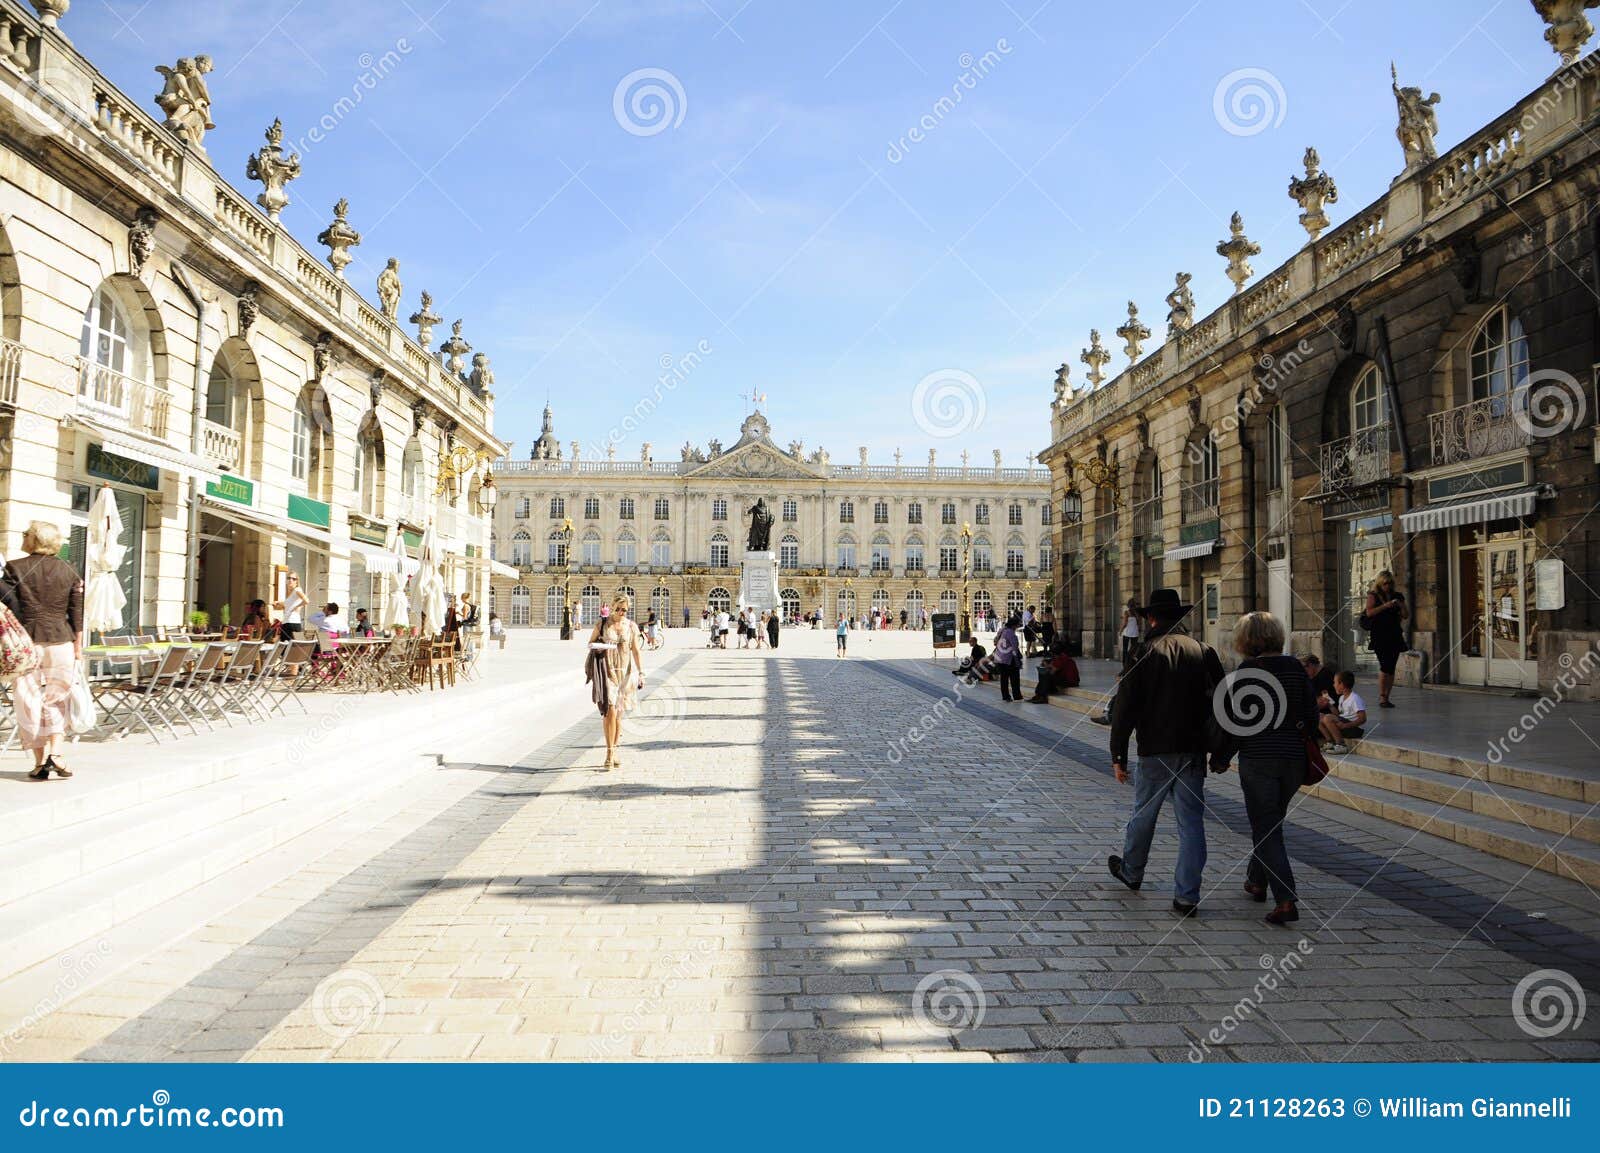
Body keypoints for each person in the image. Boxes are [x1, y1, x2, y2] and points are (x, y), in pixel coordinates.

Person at [1106, 588, 1225, 917]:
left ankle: (1132, 871)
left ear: (1151, 618)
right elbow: (1224, 707)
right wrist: (1221, 752)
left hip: (1154, 750)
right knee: (1191, 824)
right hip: (1192, 751)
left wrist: (1118, 755)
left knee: (1144, 814)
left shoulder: (1142, 653)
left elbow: (1125, 709)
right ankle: (1187, 895)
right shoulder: (1204, 651)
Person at [1218, 612, 1318, 927]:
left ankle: (1286, 898)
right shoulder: (1296, 668)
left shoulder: (1247, 671)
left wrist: (1221, 757)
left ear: (1246, 640)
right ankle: (1256, 881)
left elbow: (1235, 724)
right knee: (1271, 822)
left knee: (1266, 826)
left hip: (1259, 759)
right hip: (1293, 761)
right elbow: (1312, 716)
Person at [0, 522, 85, 781]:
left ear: (34, 539)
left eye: (25, 534)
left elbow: (8, 601)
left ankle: (39, 762)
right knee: (58, 697)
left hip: (27, 642)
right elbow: (77, 610)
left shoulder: (14, 567)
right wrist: (78, 645)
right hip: (62, 641)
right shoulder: (69, 569)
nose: (22, 536)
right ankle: (56, 753)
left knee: (28, 699)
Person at [584, 595, 645, 770]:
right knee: (609, 711)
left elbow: (636, 651)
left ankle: (615, 749)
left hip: (625, 673)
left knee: (618, 714)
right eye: (618, 608)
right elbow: (590, 643)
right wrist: (600, 646)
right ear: (612, 607)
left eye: (624, 609)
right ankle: (609, 752)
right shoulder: (602, 624)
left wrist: (641, 673)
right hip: (607, 671)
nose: (620, 612)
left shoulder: (631, 627)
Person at [1362, 570, 1407, 709]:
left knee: (1391, 667)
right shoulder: (1373, 595)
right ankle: (1382, 696)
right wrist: (1385, 606)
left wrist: (1400, 605)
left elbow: (1406, 615)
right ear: (1380, 583)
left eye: (1390, 583)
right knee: (1385, 665)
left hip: (1394, 634)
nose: (1388, 585)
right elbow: (1369, 612)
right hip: (1380, 635)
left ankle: (1387, 696)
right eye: (1385, 583)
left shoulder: (1397, 596)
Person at [1319, 670, 1367, 754]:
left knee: (1327, 717)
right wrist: (1329, 704)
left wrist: (1346, 725)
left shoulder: (1355, 698)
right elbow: (1337, 715)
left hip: (1354, 729)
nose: (1333, 685)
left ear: (1341, 684)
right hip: (1344, 725)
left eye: (1335, 683)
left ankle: (1341, 745)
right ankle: (1330, 742)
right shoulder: (1341, 698)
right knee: (1318, 716)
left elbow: (1362, 719)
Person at [992, 615, 1023, 702]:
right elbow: (1015, 649)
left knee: (1004, 679)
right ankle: (1017, 696)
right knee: (1014, 678)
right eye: (1017, 625)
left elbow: (995, 642)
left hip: (999, 658)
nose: (1018, 627)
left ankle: (1006, 696)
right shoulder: (1011, 634)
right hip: (1008, 659)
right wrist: (1018, 662)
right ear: (1014, 625)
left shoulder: (1002, 630)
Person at [274, 572, 308, 640]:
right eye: (288, 578)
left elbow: (306, 600)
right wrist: (278, 603)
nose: (290, 580)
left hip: (292, 622)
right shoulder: (291, 593)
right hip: (288, 622)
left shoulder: (296, 590)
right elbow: (288, 605)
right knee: (288, 647)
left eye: (293, 579)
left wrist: (297, 606)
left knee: (288, 647)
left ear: (297, 581)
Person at [1119, 597, 1142, 668]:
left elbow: (1125, 623)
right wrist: (1138, 630)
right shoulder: (1137, 613)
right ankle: (1132, 662)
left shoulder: (1126, 612)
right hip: (1135, 633)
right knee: (1133, 649)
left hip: (1127, 633)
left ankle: (1125, 662)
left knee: (1125, 649)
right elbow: (1139, 623)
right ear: (1134, 605)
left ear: (1128, 605)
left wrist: (1121, 630)